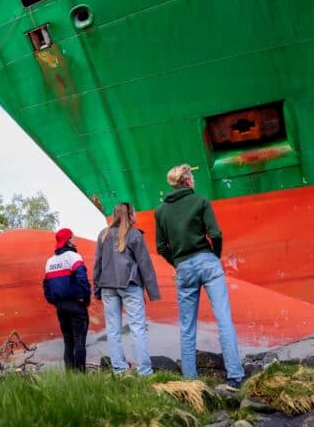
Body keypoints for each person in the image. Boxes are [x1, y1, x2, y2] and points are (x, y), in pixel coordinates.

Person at [155, 164, 245, 388]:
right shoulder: (200, 201)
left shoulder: (160, 212)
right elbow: (215, 233)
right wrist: (214, 256)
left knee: (187, 327)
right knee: (224, 319)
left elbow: (161, 247)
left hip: (183, 268)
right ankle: (235, 376)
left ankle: (190, 380)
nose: (194, 181)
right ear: (186, 181)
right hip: (207, 261)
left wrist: (177, 262)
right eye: (192, 178)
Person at [94, 202, 161, 375]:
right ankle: (144, 371)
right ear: (130, 215)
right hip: (129, 285)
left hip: (107, 286)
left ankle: (119, 370)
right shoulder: (134, 235)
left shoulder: (103, 234)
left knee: (113, 329)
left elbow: (98, 264)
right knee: (137, 328)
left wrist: (96, 288)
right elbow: (145, 265)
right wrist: (153, 292)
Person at [43, 228, 91, 371]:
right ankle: (80, 377)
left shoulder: (50, 261)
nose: (75, 240)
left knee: (68, 342)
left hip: (60, 307)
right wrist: (86, 298)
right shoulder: (73, 257)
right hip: (76, 304)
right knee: (79, 341)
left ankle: (70, 377)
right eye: (73, 237)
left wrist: (53, 301)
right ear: (68, 240)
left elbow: (46, 285)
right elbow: (82, 278)